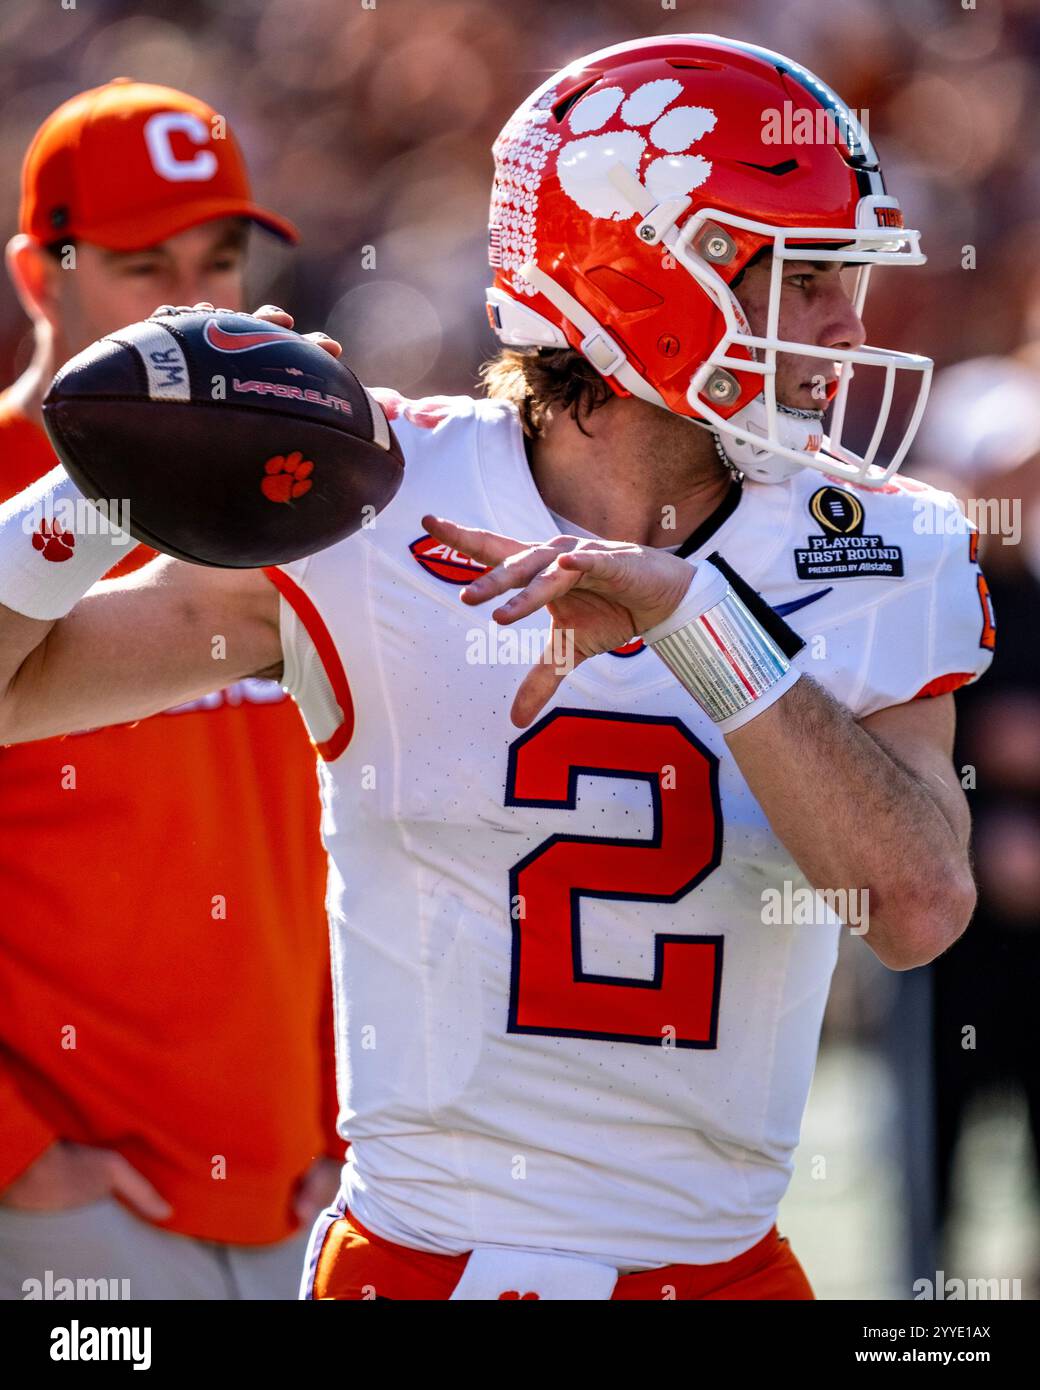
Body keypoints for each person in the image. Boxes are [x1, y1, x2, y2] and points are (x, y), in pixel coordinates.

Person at [0, 37, 993, 1300]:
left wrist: (703, 623)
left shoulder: (873, 543)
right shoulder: (370, 499)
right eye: (806, 277)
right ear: (647, 274)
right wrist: (96, 490)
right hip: (413, 1260)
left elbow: (912, 910)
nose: (851, 326)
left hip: (710, 1268)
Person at [0, 79, 340, 1301]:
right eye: (146, 267)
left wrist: (343, 1105)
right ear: (43, 277)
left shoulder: (298, 482)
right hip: (74, 1201)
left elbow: (341, 829)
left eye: (220, 259)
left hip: (299, 1183)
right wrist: (15, 1150)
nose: (195, 306)